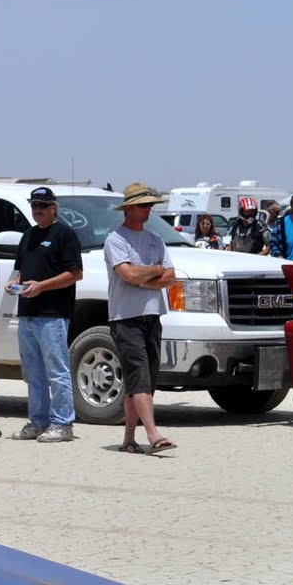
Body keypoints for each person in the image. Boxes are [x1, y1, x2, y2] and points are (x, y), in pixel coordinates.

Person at [105, 183, 179, 453]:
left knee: (144, 380)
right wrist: (154, 273)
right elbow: (128, 275)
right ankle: (152, 433)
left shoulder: (155, 239)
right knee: (139, 377)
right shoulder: (115, 239)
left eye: (150, 205)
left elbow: (170, 276)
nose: (149, 210)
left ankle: (128, 438)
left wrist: (148, 275)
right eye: (144, 205)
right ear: (129, 209)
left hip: (151, 315)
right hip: (125, 317)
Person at [8, 186, 83, 442]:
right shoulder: (27, 236)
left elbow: (75, 274)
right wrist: (13, 283)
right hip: (27, 314)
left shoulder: (65, 234)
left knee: (56, 371)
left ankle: (63, 424)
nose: (37, 210)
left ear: (54, 208)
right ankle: (38, 421)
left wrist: (41, 286)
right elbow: (20, 270)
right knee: (33, 372)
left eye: (42, 206)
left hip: (52, 314)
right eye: (34, 206)